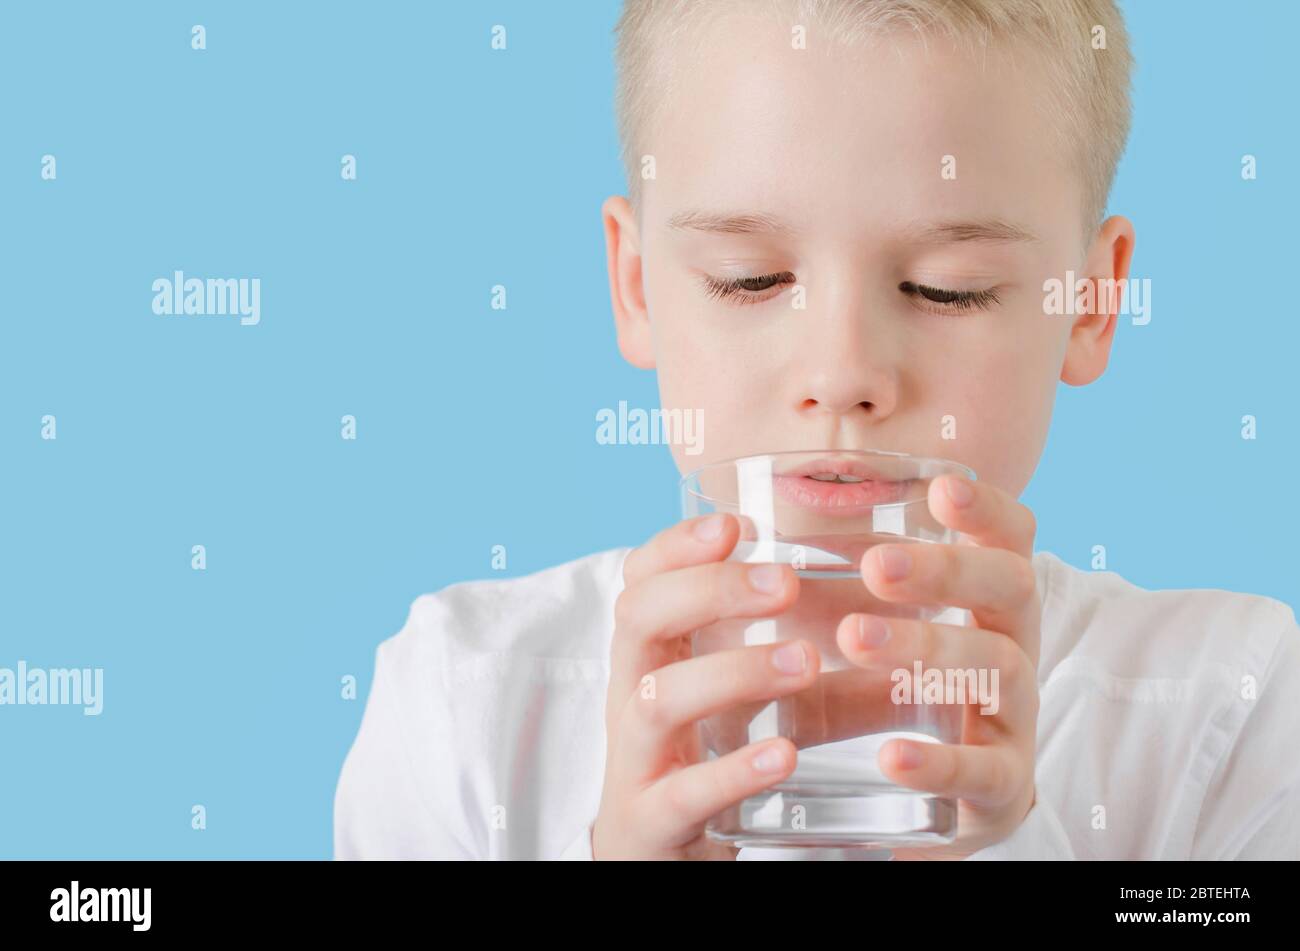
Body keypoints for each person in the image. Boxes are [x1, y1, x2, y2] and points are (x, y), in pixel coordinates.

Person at [333, 0, 1300, 860]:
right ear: (634, 284)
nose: (842, 375)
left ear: (1089, 301)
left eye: (945, 289)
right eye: (750, 278)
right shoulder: (464, 705)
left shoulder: (1230, 703)